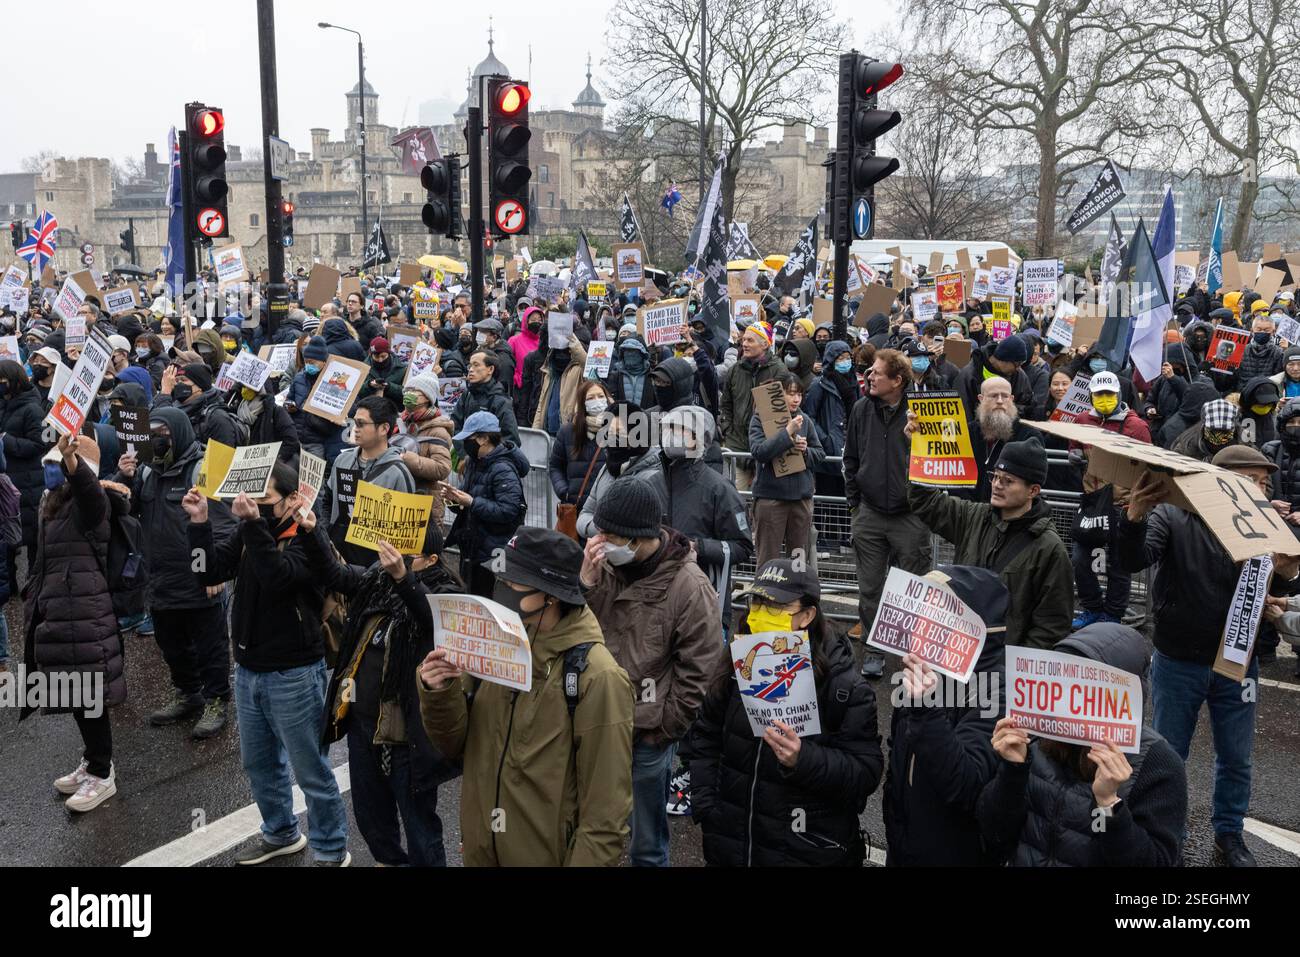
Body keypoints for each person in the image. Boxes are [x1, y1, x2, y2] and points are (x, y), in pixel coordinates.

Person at [1116, 446, 1299, 866]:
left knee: (1237, 758)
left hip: (1238, 662)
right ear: (1222, 482)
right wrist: (1134, 519)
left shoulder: (1267, 527)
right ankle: (1169, 836)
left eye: (1265, 483)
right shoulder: (1174, 516)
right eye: (1252, 480)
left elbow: (1282, 587)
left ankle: (1229, 836)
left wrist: (1288, 573)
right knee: (1168, 756)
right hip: (1178, 661)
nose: (1261, 490)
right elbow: (1132, 559)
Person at [416, 527, 634, 866]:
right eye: (502, 581)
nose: (502, 590)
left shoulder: (599, 678)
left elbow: (605, 821)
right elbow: (455, 748)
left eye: (514, 583)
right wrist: (440, 691)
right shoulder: (498, 645)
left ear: (551, 595)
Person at [183, 463, 351, 865]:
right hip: (248, 669)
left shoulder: (309, 540)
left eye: (265, 501)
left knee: (310, 769)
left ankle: (330, 849)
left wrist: (254, 526)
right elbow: (203, 570)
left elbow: (277, 577)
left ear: (293, 499)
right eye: (252, 500)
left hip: (294, 672)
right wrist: (200, 523)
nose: (252, 507)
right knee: (258, 764)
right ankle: (280, 832)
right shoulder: (249, 531)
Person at [685, 558, 883, 865]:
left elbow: (865, 773)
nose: (760, 614)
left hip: (803, 850)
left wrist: (803, 759)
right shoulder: (740, 662)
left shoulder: (845, 687)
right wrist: (708, 805)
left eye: (775, 607)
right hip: (733, 844)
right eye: (756, 602)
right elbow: (705, 734)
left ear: (807, 615)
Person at [581, 476, 720, 866]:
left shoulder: (690, 586)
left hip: (647, 735)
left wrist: (664, 730)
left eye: (609, 534)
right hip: (595, 720)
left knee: (646, 842)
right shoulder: (602, 565)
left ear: (639, 539)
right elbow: (575, 633)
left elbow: (700, 670)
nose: (600, 540)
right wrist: (585, 584)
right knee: (591, 825)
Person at [309, 516, 462, 866]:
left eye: (410, 552)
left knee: (420, 827)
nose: (397, 555)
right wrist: (310, 530)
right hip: (364, 727)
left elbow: (432, 619)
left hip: (407, 734)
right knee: (371, 819)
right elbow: (335, 575)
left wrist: (403, 578)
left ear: (431, 560)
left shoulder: (445, 593)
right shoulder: (378, 580)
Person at [977, 623, 1187, 866]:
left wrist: (1108, 806)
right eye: (1062, 681)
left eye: (1083, 687)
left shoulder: (1157, 762)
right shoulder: (1033, 735)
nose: (1067, 698)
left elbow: (1157, 862)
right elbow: (994, 834)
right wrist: (1011, 773)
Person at [20, 434, 124, 813]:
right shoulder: (53, 503)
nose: (50, 470)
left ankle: (102, 773)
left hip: (85, 611)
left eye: (57, 465)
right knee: (76, 693)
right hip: (60, 610)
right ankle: (92, 760)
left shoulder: (90, 504)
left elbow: (90, 495)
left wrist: (73, 464)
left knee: (90, 694)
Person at [117, 407, 236, 738]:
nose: (156, 440)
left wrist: (215, 571)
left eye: (163, 434)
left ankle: (216, 700)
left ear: (179, 433)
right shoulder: (146, 472)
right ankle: (187, 692)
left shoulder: (204, 468)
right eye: (151, 433)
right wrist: (124, 478)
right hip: (160, 577)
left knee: (210, 644)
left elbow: (224, 525)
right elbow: (127, 510)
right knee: (171, 644)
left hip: (197, 576)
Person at [882, 566, 1008, 865]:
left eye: (934, 615)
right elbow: (899, 750)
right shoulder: (926, 671)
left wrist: (924, 709)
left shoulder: (996, 692)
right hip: (903, 846)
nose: (918, 624)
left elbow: (966, 785)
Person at [907, 433, 1074, 649]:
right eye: (995, 476)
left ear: (1033, 490)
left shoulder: (1050, 548)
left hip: (1003, 667)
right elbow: (925, 501)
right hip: (956, 652)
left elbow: (1052, 625)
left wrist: (1013, 667)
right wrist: (919, 449)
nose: (997, 485)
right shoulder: (973, 516)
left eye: (1008, 481)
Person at [844, 349, 932, 675]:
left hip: (910, 516)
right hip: (869, 513)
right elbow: (851, 459)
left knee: (913, 590)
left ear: (897, 381)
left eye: (878, 373)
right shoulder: (860, 409)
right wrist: (855, 505)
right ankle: (873, 650)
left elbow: (935, 461)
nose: (870, 376)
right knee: (870, 589)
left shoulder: (921, 412)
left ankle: (911, 655)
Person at [649, 405, 754, 634]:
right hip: (654, 603)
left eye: (680, 429)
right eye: (668, 427)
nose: (671, 434)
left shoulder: (719, 488)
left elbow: (743, 546)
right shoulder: (650, 484)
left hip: (706, 604)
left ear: (700, 439)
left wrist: (698, 546)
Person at [441, 410, 529, 597]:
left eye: (469, 438)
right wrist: (453, 499)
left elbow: (508, 511)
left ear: (483, 439)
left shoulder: (503, 469)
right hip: (473, 547)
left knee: (490, 600)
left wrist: (471, 502)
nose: (465, 444)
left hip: (494, 551)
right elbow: (468, 502)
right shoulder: (474, 462)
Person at [325, 394, 417, 565]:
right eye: (353, 423)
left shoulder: (398, 473)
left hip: (373, 569)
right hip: (337, 561)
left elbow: (404, 538)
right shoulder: (342, 460)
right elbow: (327, 500)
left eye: (361, 424)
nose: (355, 429)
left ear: (383, 429)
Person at [748, 372, 824, 567]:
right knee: (768, 559)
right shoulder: (760, 418)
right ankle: (764, 597)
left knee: (798, 561)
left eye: (799, 394)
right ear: (777, 394)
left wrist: (806, 451)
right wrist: (786, 434)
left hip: (800, 499)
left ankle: (796, 597)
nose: (796, 399)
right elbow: (759, 451)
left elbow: (819, 453)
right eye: (790, 393)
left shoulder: (805, 420)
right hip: (771, 498)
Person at [0, 360, 50, 576]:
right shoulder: (3, 404)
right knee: (7, 537)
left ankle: (32, 586)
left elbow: (39, 444)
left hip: (29, 482)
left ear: (13, 381)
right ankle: (8, 583)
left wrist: (5, 440)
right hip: (7, 480)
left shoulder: (32, 409)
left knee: (31, 538)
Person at [719, 322, 783, 490]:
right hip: (736, 448)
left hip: (766, 452)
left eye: (750, 340)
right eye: (744, 340)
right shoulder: (735, 370)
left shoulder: (779, 371)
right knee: (736, 500)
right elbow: (725, 404)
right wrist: (727, 429)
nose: (744, 344)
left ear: (765, 344)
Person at [549, 379, 609, 514]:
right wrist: (564, 491)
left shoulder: (617, 430)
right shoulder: (567, 431)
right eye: (591, 398)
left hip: (608, 509)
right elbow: (555, 466)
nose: (597, 401)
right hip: (577, 507)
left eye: (600, 396)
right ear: (582, 402)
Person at [153, 362, 246, 448]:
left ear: (200, 387)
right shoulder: (174, 407)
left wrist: (165, 393)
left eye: (183, 380)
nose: (178, 384)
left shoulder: (217, 418)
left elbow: (223, 458)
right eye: (176, 380)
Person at [285, 336, 347, 466]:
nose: (309, 365)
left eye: (312, 362)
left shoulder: (333, 383)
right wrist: (289, 406)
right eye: (306, 362)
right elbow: (289, 399)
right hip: (298, 437)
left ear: (324, 362)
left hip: (318, 440)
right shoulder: (298, 378)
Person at [394, 373, 454, 496]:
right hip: (398, 495)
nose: (407, 394)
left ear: (427, 397)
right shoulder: (398, 422)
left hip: (423, 500)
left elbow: (442, 468)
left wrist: (408, 459)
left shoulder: (437, 430)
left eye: (413, 391)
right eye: (406, 390)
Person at [451, 350, 519, 446]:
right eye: (470, 365)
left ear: (490, 369)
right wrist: (464, 452)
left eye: (476, 365)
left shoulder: (501, 401)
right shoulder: (467, 394)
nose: (470, 370)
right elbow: (454, 424)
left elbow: (511, 440)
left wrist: (487, 454)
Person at [230, 374, 300, 462]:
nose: (245, 389)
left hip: (265, 463)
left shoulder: (276, 411)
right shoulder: (239, 405)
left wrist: (274, 460)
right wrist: (231, 393)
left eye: (249, 387)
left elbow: (292, 441)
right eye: (244, 386)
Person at [1170, 397, 1241, 461]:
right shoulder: (1187, 445)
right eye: (1213, 430)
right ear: (1204, 425)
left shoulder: (1244, 445)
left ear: (1234, 427)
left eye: (1225, 431)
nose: (1218, 435)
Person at [363, 337, 407, 409]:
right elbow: (357, 392)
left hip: (393, 409)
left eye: (383, 356)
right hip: (370, 409)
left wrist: (389, 387)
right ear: (371, 355)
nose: (380, 360)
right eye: (376, 357)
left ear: (389, 353)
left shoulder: (401, 369)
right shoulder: (364, 368)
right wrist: (369, 385)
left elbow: (405, 393)